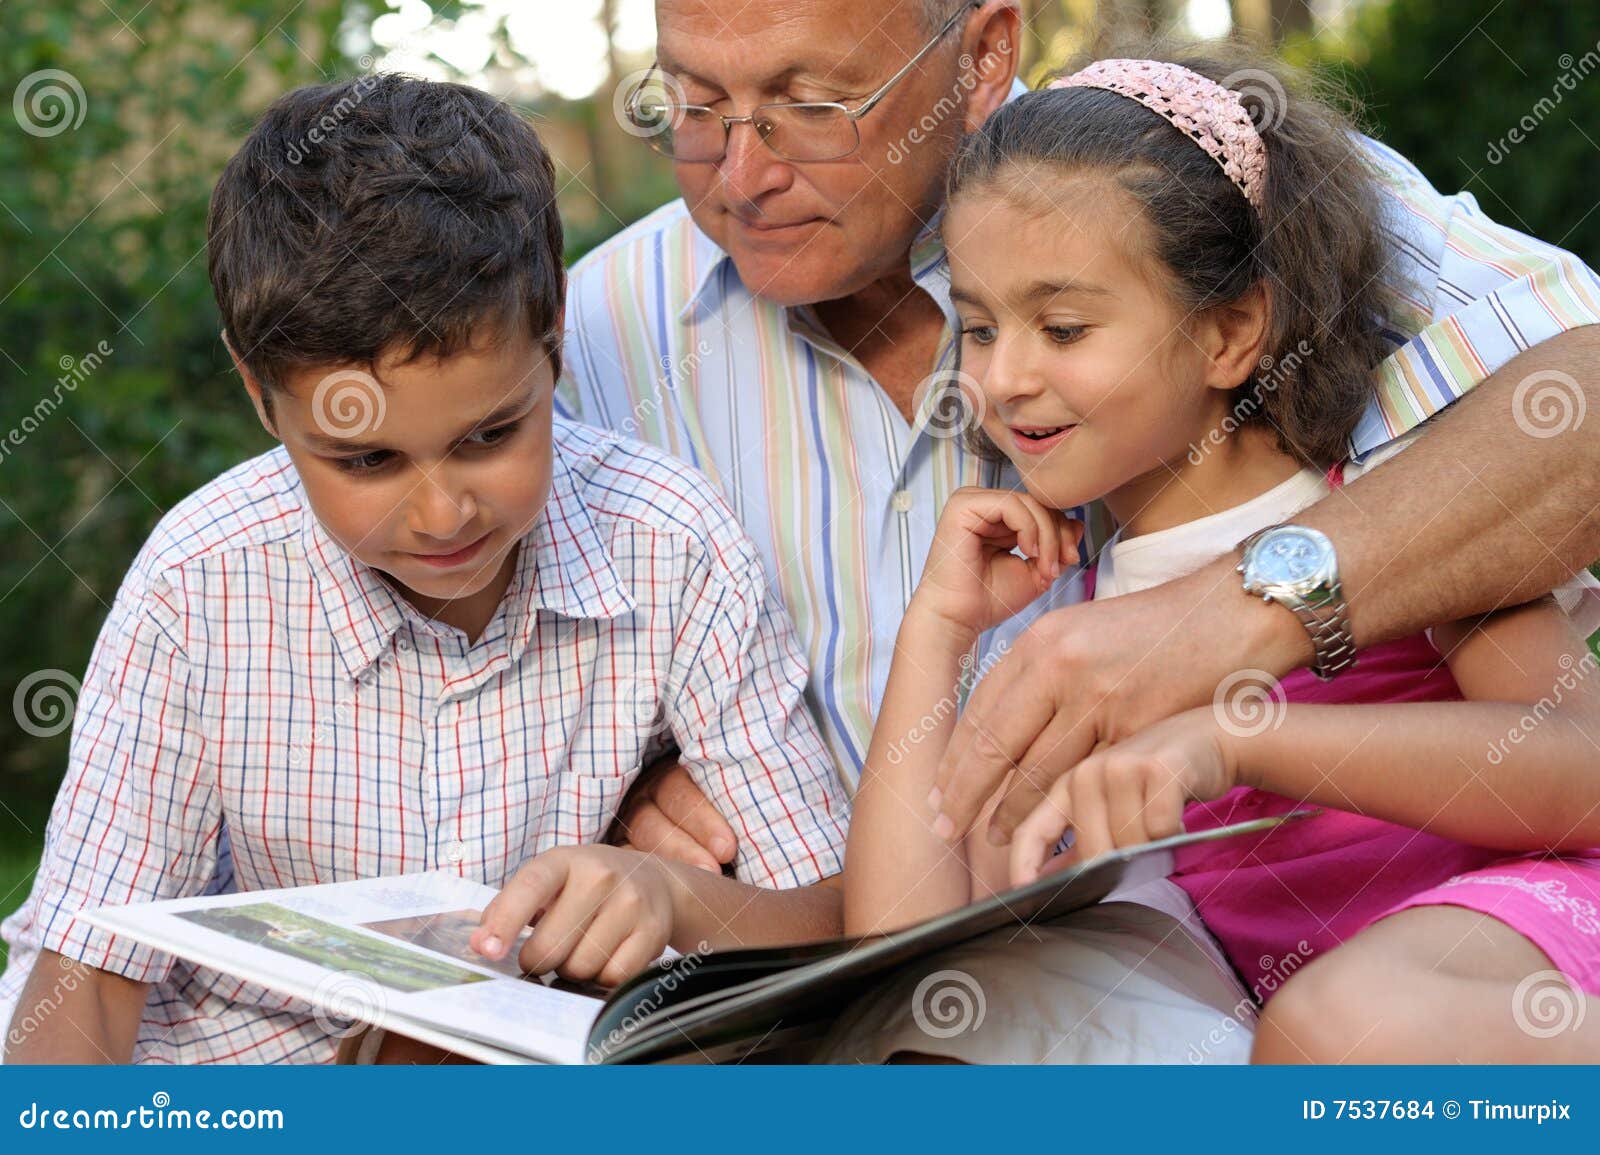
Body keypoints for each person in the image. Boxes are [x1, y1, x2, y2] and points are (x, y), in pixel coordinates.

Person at [562, 0, 1600, 1060]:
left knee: (1344, 1025)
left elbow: (1582, 774)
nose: (1004, 378)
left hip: (1516, 940)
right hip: (1271, 1012)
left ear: (1232, 331)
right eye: (975, 326)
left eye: (1061, 328)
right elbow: (904, 940)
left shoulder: (1397, 499)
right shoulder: (1072, 596)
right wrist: (935, 632)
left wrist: (1240, 734)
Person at [0, 75, 848, 1065]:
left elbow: (830, 918)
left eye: (490, 435)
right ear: (259, 392)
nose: (444, 515)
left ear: (553, 328)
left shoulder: (673, 547)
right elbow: (88, 978)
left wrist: (676, 897)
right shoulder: (200, 584)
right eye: (367, 461)